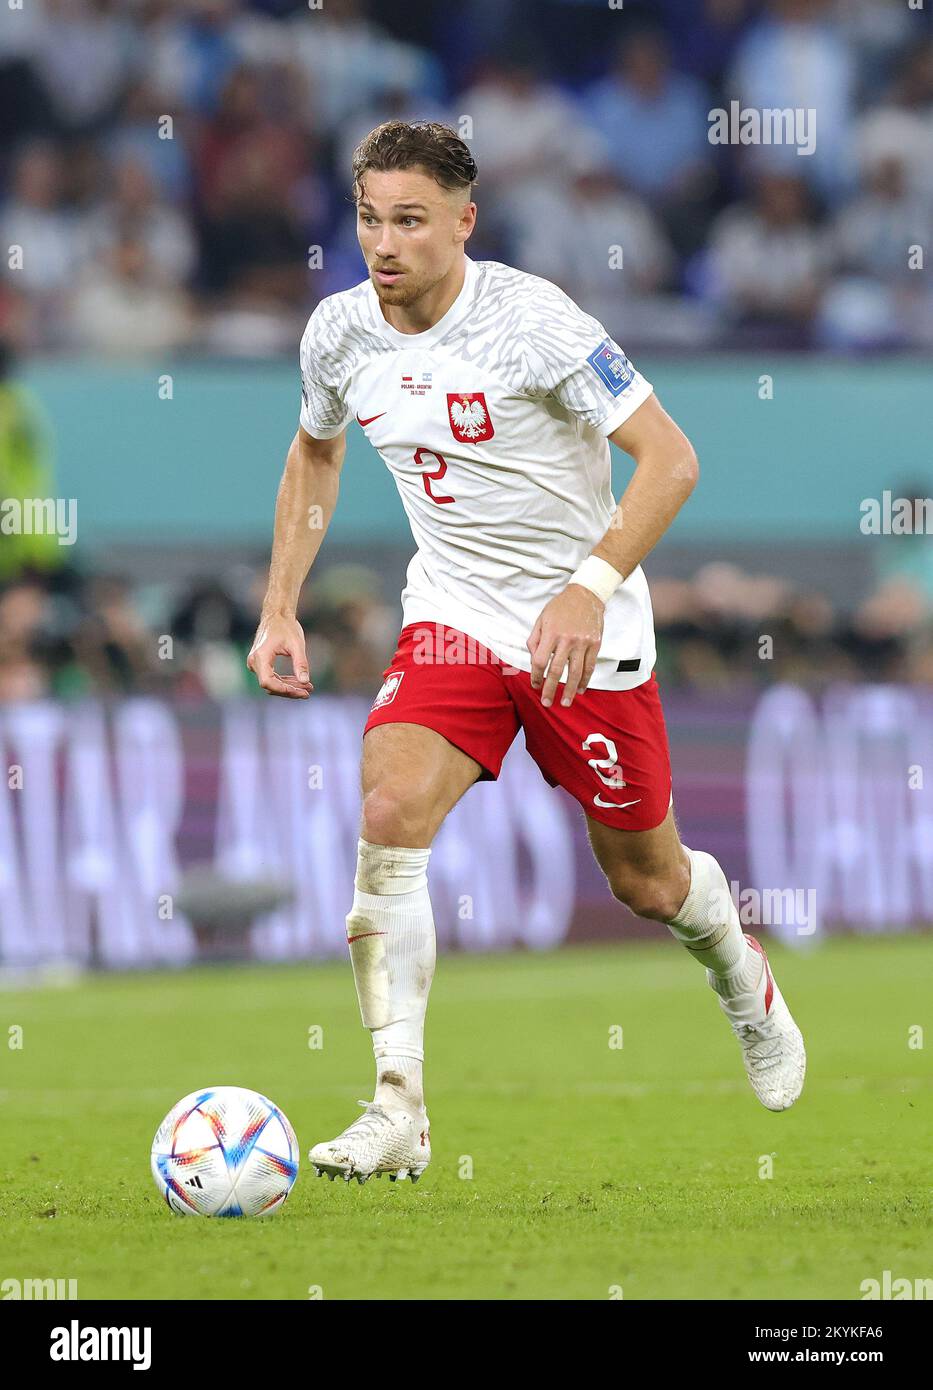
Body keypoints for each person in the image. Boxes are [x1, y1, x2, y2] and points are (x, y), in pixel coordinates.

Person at [247, 122, 806, 1184]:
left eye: (411, 220)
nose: (386, 242)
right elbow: (316, 449)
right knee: (387, 812)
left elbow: (672, 462)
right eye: (370, 217)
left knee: (646, 880)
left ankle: (741, 976)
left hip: (581, 629)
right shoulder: (338, 334)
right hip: (454, 613)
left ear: (465, 221)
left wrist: (590, 588)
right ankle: (397, 1104)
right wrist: (282, 606)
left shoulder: (534, 322)